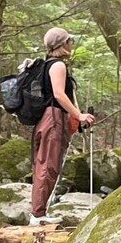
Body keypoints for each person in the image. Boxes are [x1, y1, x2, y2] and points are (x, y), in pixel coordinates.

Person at [29, 27, 95, 224]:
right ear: (63, 44)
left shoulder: (46, 64)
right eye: (69, 41)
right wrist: (79, 115)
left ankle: (38, 213)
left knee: (43, 164)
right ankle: (38, 216)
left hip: (45, 118)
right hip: (53, 118)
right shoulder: (58, 66)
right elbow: (59, 94)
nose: (71, 44)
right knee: (48, 166)